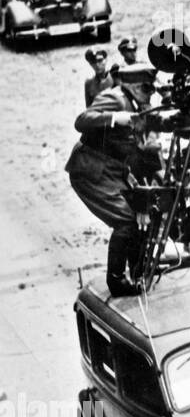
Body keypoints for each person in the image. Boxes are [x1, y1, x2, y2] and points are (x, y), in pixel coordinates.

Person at [66, 64, 161, 296]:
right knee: (126, 221)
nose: (150, 96)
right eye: (147, 90)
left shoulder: (137, 104)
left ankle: (138, 271)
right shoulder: (116, 99)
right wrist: (115, 118)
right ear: (134, 87)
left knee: (142, 217)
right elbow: (82, 120)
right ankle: (117, 281)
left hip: (112, 169)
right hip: (91, 171)